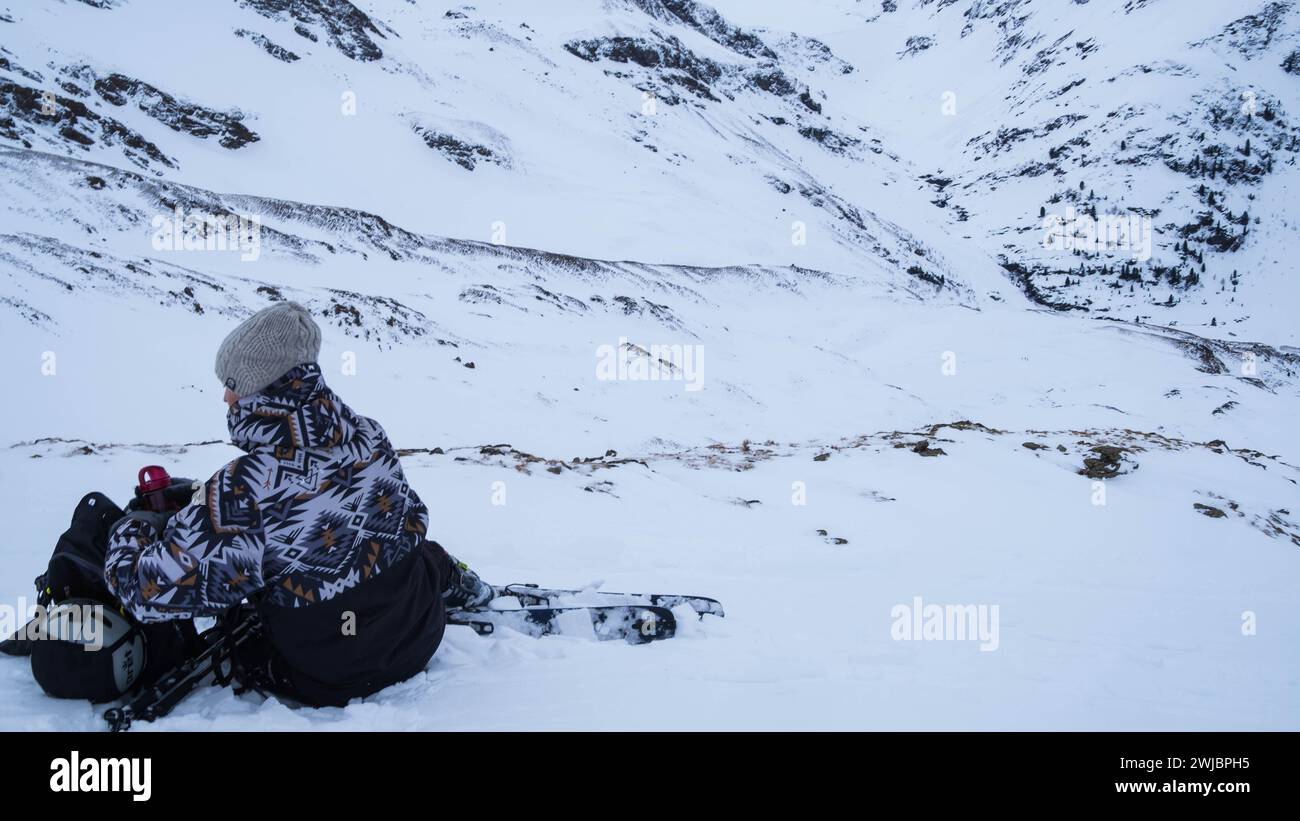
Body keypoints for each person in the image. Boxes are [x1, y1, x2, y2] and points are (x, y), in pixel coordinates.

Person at [87, 301, 491, 707]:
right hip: (422, 633)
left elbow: (146, 593)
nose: (226, 396)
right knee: (405, 547)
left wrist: (134, 525)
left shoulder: (242, 488)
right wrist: (201, 502)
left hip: (333, 676)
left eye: (232, 382)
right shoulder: (368, 434)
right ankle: (454, 581)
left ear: (263, 390)